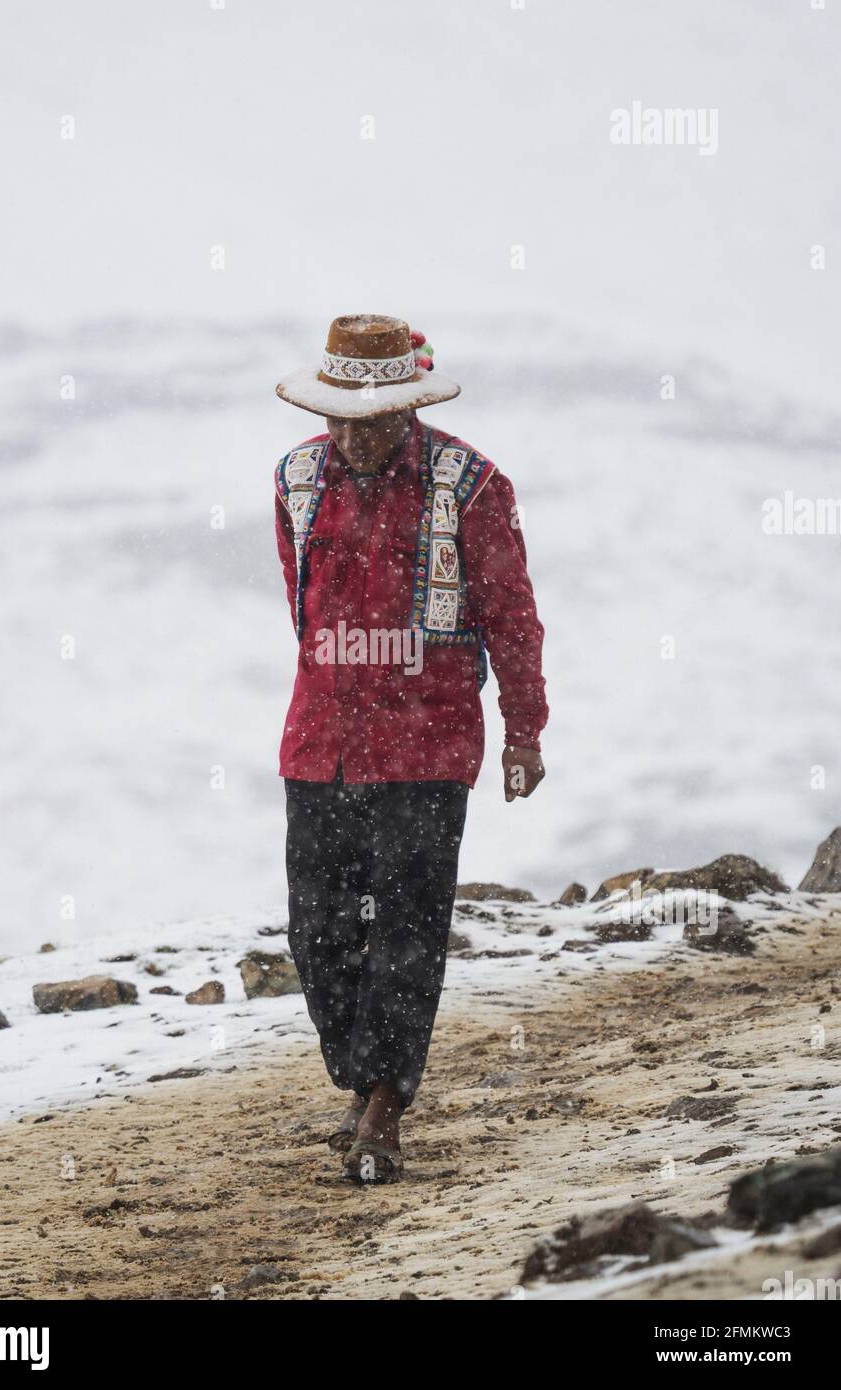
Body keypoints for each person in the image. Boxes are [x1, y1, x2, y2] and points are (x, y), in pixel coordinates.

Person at [274, 314, 548, 1182]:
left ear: (409, 411)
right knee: (318, 932)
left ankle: (384, 1105)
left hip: (427, 749)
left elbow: (510, 617)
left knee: (405, 928)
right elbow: (304, 611)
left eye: (370, 418)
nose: (350, 435)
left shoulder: (471, 487)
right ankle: (362, 1083)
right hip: (319, 745)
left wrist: (523, 731)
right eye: (337, 418)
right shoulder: (293, 480)